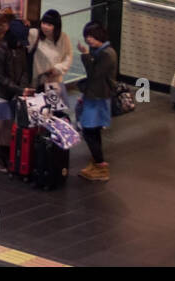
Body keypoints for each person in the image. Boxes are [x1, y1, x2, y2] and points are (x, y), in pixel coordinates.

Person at [0, 18, 33, 172]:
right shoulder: (0, 49)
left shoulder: (20, 48)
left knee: (6, 125)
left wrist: (22, 88)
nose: (20, 44)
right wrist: (19, 89)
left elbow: (25, 70)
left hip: (12, 91)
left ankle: (3, 153)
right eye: (19, 40)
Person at [77, 22, 119, 182]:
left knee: (89, 130)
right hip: (94, 96)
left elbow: (94, 74)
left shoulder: (107, 54)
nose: (88, 40)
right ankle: (96, 163)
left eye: (91, 36)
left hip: (97, 98)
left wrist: (85, 55)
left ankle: (100, 166)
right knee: (93, 131)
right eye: (86, 37)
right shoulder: (101, 51)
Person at [30, 9, 72, 99]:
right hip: (35, 84)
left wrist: (57, 69)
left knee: (53, 111)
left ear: (56, 26)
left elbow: (68, 58)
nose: (45, 27)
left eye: (49, 25)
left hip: (53, 84)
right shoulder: (34, 34)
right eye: (43, 23)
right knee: (37, 110)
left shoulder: (63, 38)